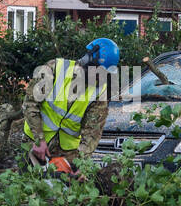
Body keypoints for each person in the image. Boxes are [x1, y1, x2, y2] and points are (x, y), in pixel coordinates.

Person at [23, 37, 117, 172]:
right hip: (34, 143)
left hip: (68, 153)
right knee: (24, 185)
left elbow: (92, 132)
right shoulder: (55, 69)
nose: (100, 77)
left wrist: (82, 162)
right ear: (88, 60)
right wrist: (39, 140)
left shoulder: (99, 91)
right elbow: (30, 104)